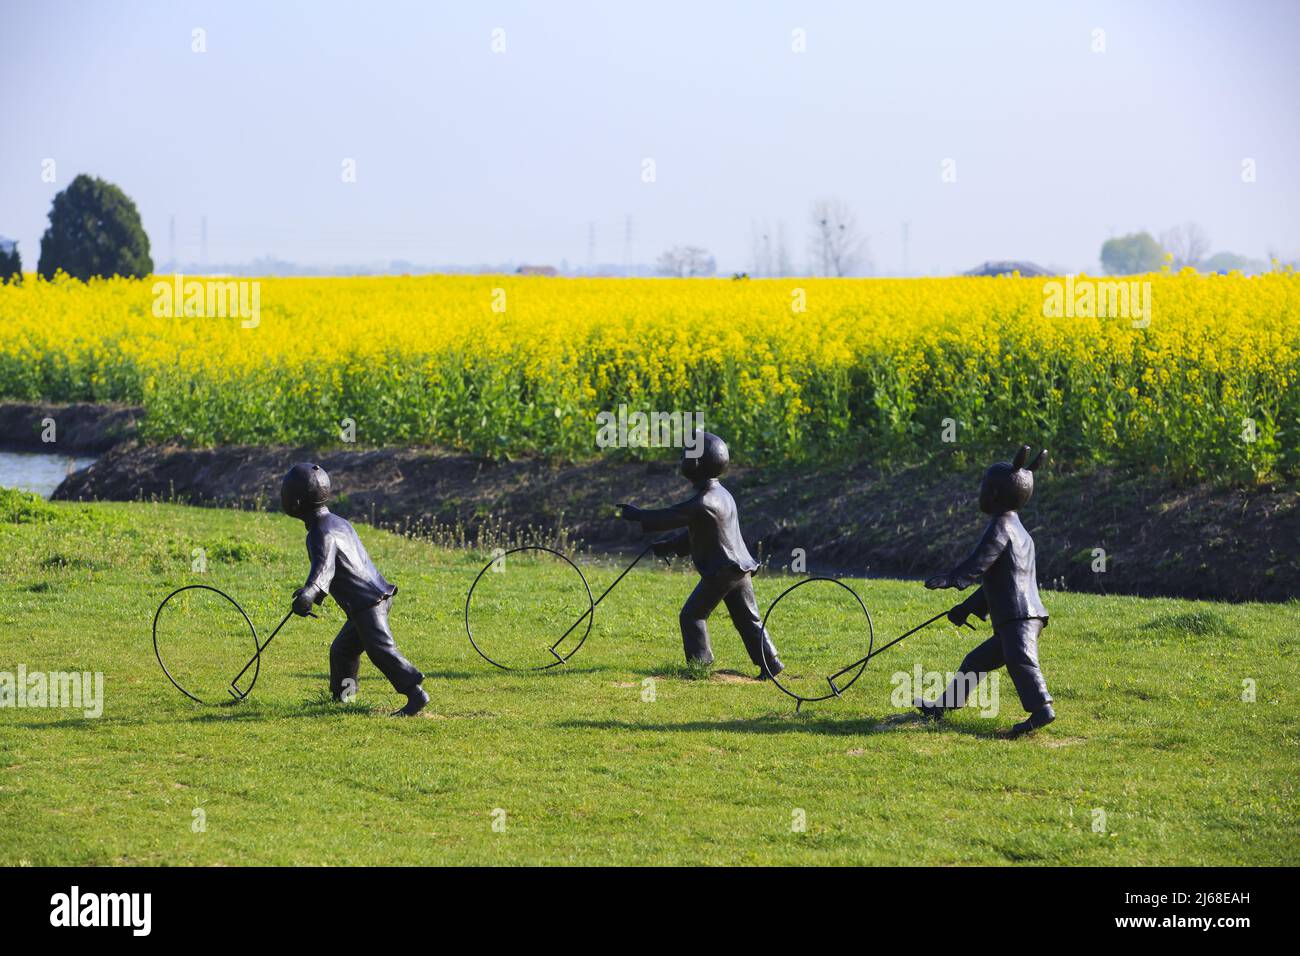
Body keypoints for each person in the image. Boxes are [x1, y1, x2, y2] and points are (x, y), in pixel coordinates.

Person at [618, 432, 783, 679]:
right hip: (739, 568)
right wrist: (670, 546)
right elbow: (701, 533)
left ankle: (699, 667)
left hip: (722, 571)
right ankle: (772, 663)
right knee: (748, 619)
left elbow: (674, 515)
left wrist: (639, 515)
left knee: (692, 615)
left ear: (696, 464)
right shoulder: (722, 494)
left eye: (687, 454)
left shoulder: (704, 501)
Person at [922, 445, 1054, 737]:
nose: (981, 492)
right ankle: (942, 707)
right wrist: (966, 608)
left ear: (994, 493)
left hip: (1018, 618)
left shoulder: (1001, 527)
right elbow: (1001, 582)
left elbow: (980, 562)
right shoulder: (1022, 533)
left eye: (984, 487)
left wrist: (953, 578)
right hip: (1019, 615)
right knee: (976, 661)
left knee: (1021, 661)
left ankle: (1042, 708)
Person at [280, 462, 428, 717]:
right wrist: (309, 590)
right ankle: (343, 698)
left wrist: (309, 592)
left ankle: (415, 693)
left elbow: (324, 568)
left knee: (380, 650)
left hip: (368, 602)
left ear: (295, 504)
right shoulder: (339, 522)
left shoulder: (319, 532)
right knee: (343, 650)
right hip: (372, 596)